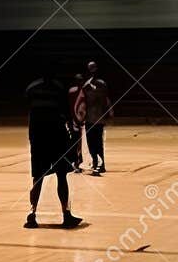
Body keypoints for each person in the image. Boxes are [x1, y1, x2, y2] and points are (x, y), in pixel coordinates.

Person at [25, 65, 83, 229]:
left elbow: (31, 112)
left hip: (38, 139)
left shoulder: (31, 88)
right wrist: (72, 137)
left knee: (37, 178)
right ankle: (66, 214)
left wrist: (31, 138)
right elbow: (65, 114)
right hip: (56, 138)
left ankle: (32, 214)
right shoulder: (59, 88)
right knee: (61, 176)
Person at [80, 61, 113, 175]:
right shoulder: (86, 85)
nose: (92, 71)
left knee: (98, 143)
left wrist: (109, 112)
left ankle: (100, 164)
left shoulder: (100, 84)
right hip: (90, 118)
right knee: (91, 143)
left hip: (98, 118)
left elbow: (104, 99)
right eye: (90, 69)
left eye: (93, 69)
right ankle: (96, 162)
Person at [67, 75, 86, 173]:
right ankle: (76, 161)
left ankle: (76, 161)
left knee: (76, 141)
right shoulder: (79, 92)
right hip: (74, 119)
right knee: (76, 142)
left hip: (75, 119)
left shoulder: (74, 91)